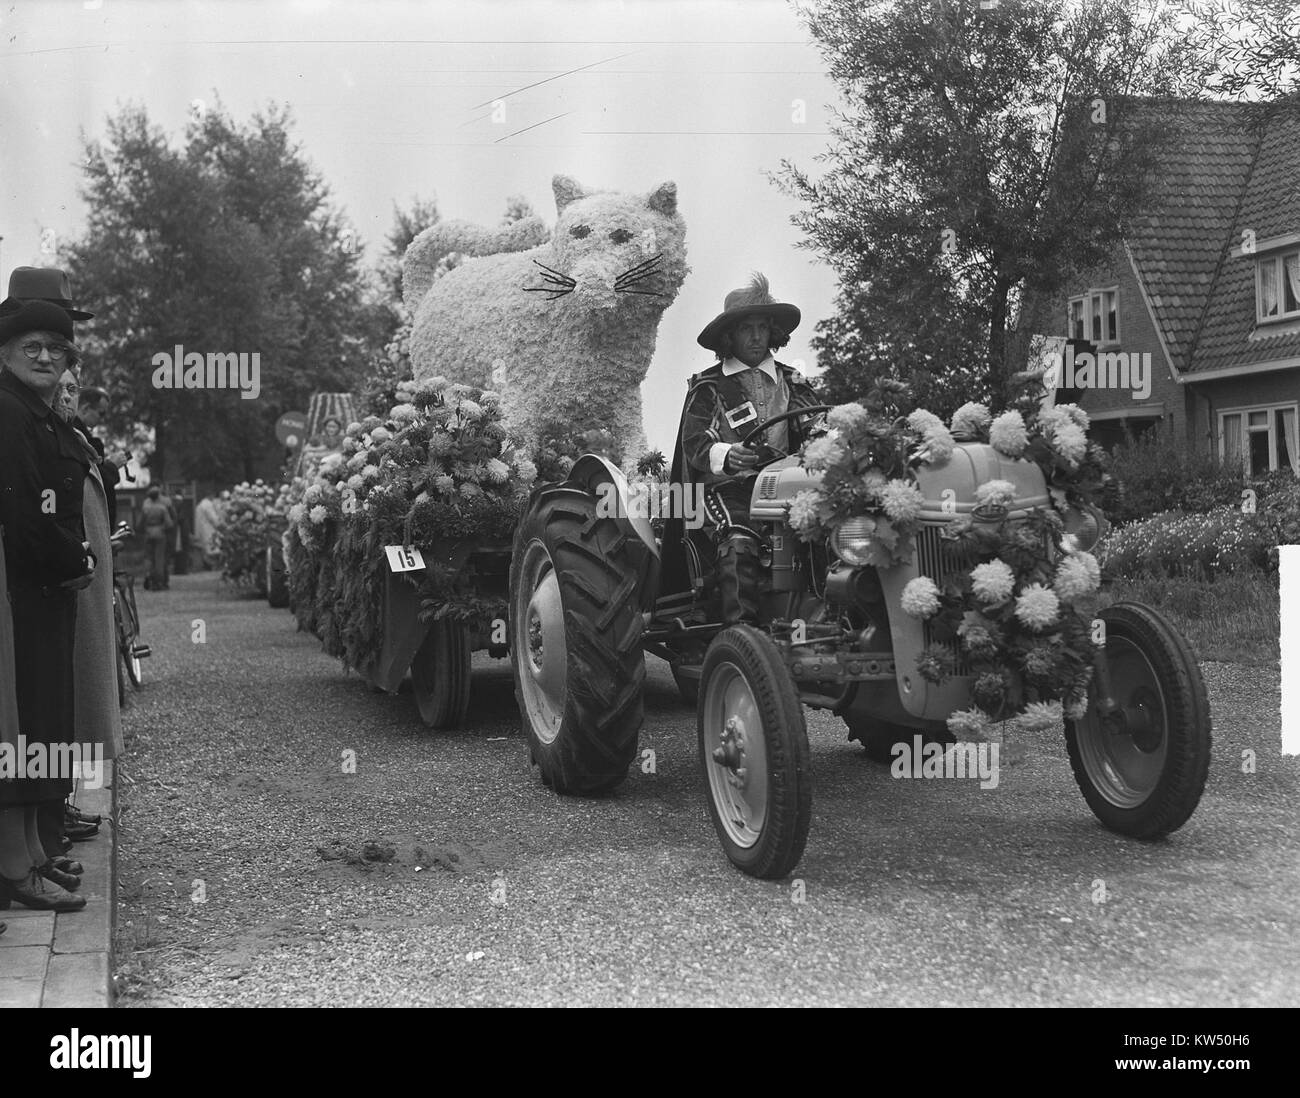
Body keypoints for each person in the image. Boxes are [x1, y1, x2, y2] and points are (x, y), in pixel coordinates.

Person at [0, 293, 94, 912]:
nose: (43, 357)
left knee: (45, 720)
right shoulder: (8, 411)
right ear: (5, 353)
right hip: (21, 590)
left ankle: (33, 850)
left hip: (43, 588)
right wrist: (75, 559)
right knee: (22, 722)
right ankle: (13, 865)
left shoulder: (32, 409)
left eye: (53, 349)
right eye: (29, 347)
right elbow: (25, 511)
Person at [675, 273, 822, 624]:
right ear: (729, 335)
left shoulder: (794, 381)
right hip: (728, 489)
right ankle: (740, 636)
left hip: (788, 487)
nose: (756, 337)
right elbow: (695, 443)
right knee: (739, 538)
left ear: (773, 330)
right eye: (746, 328)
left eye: (762, 326)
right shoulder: (709, 387)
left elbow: (817, 430)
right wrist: (726, 454)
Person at [140, 485, 174, 590]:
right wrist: (162, 527)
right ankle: (159, 581)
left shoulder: (146, 508)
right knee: (159, 558)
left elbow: (140, 523)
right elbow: (169, 524)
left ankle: (148, 576)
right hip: (160, 533)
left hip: (148, 533)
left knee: (149, 558)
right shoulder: (162, 508)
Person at [193, 490, 221, 569]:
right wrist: (219, 523)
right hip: (209, 530)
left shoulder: (199, 505)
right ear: (211, 495)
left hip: (201, 530)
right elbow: (213, 519)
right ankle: (212, 566)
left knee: (205, 549)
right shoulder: (208, 505)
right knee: (212, 549)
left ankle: (207, 565)